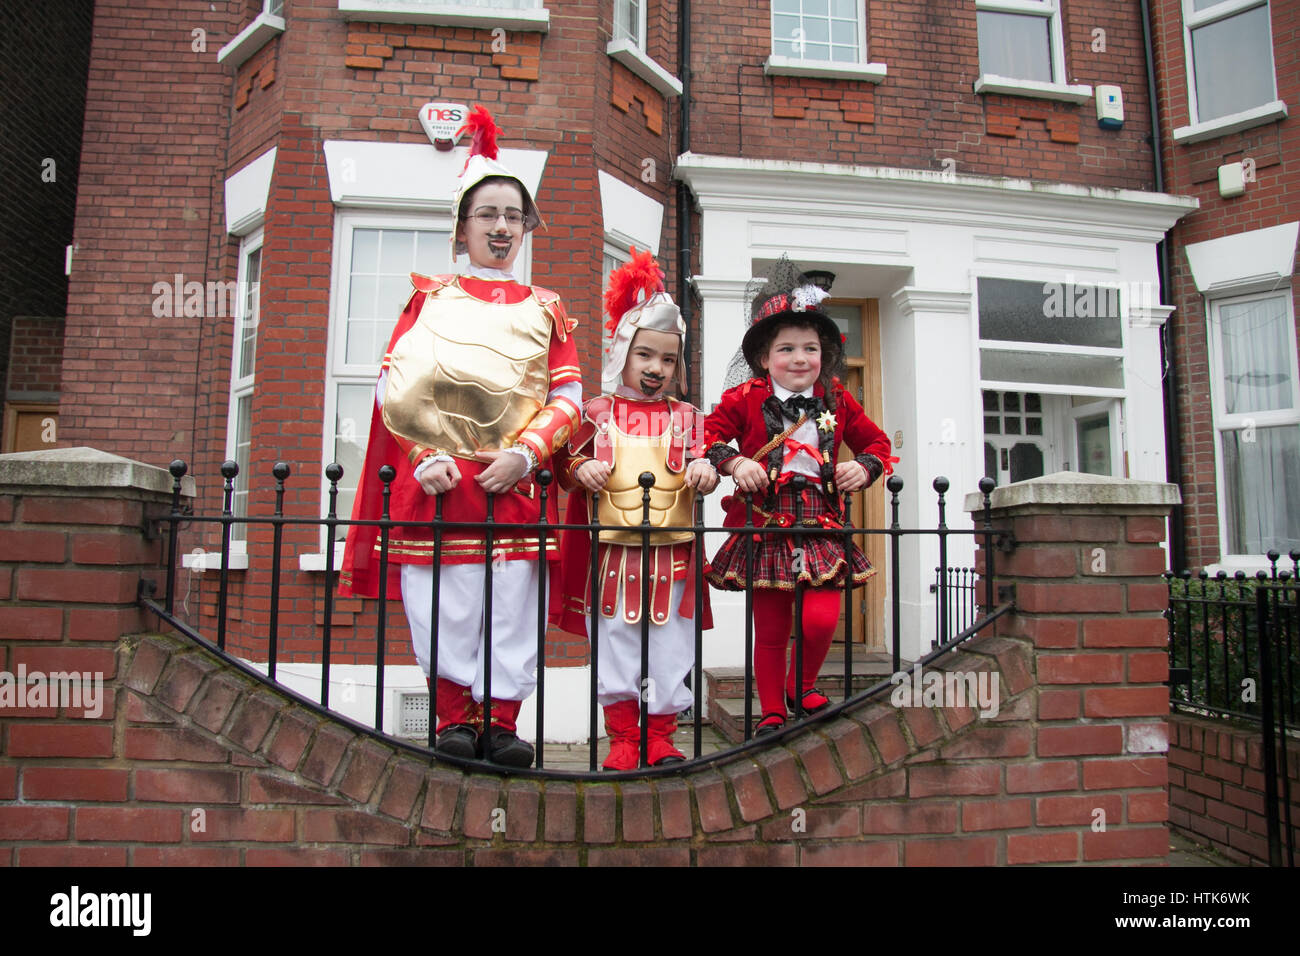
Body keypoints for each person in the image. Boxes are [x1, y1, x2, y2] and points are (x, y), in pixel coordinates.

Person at [340, 106, 581, 767]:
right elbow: (394, 385)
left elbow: (567, 396)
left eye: (513, 216)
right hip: (442, 486)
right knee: (445, 606)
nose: (502, 227)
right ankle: (453, 722)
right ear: (462, 228)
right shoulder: (429, 298)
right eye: (489, 215)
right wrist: (425, 457)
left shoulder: (547, 307)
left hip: (513, 482)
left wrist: (527, 453)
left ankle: (502, 726)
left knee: (510, 609)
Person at [702, 257, 893, 736]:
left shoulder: (838, 399)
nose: (800, 358)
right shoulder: (742, 398)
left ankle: (800, 684)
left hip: (820, 520)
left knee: (821, 619)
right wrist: (735, 462)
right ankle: (771, 709)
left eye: (810, 348)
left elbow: (878, 444)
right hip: (766, 521)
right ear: (766, 358)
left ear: (823, 356)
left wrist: (863, 467)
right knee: (770, 628)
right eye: (786, 348)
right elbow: (709, 435)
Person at [552, 249, 717, 769]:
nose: (656, 368)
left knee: (671, 646)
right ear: (623, 352)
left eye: (668, 359)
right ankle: (624, 737)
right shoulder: (593, 412)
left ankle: (662, 736)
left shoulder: (688, 416)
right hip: (612, 557)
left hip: (676, 554)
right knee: (617, 643)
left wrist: (707, 471)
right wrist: (580, 471)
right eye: (646, 355)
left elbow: (704, 462)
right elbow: (562, 463)